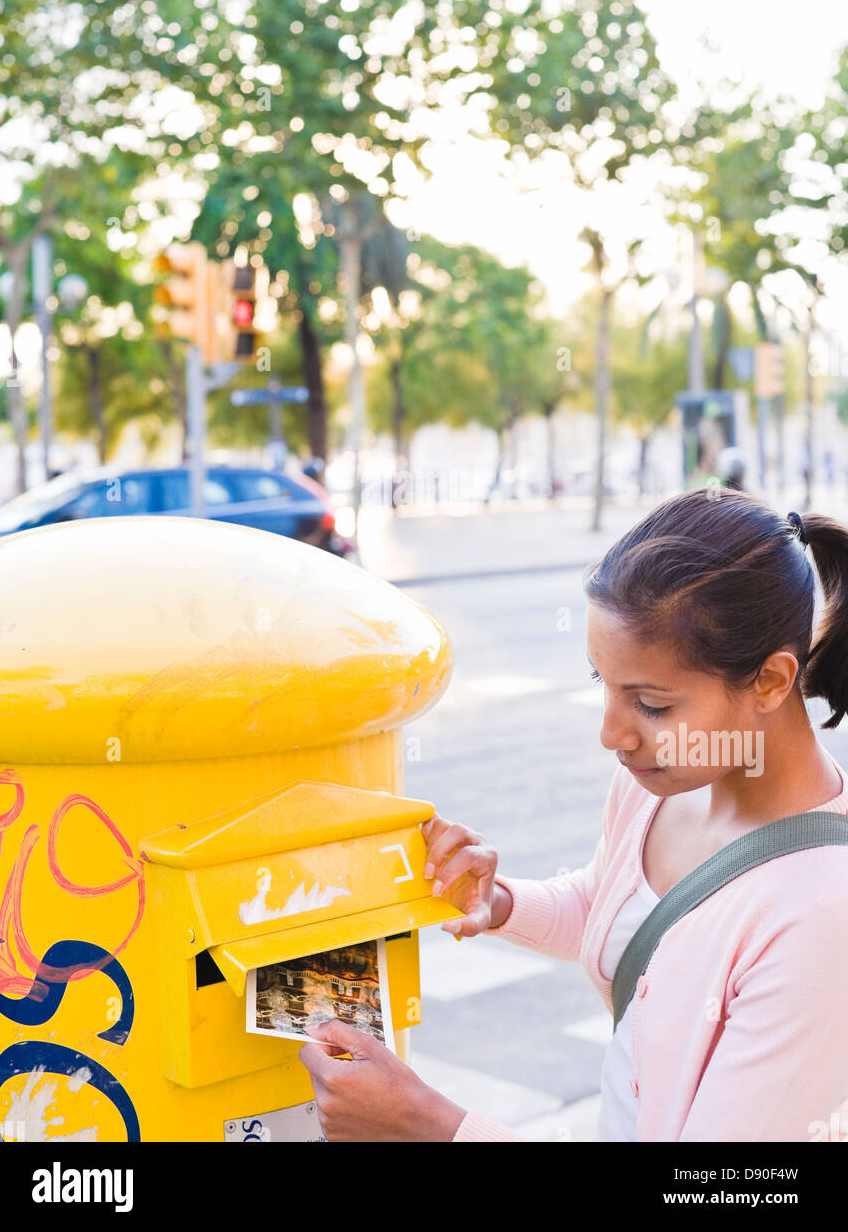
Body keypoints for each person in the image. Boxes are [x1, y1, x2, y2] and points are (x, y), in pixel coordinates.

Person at [298, 489, 848, 1141]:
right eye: (603, 684)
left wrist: (433, 1126)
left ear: (770, 681)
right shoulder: (659, 788)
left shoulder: (821, 916)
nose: (611, 733)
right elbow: (617, 909)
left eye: (651, 703)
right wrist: (496, 900)